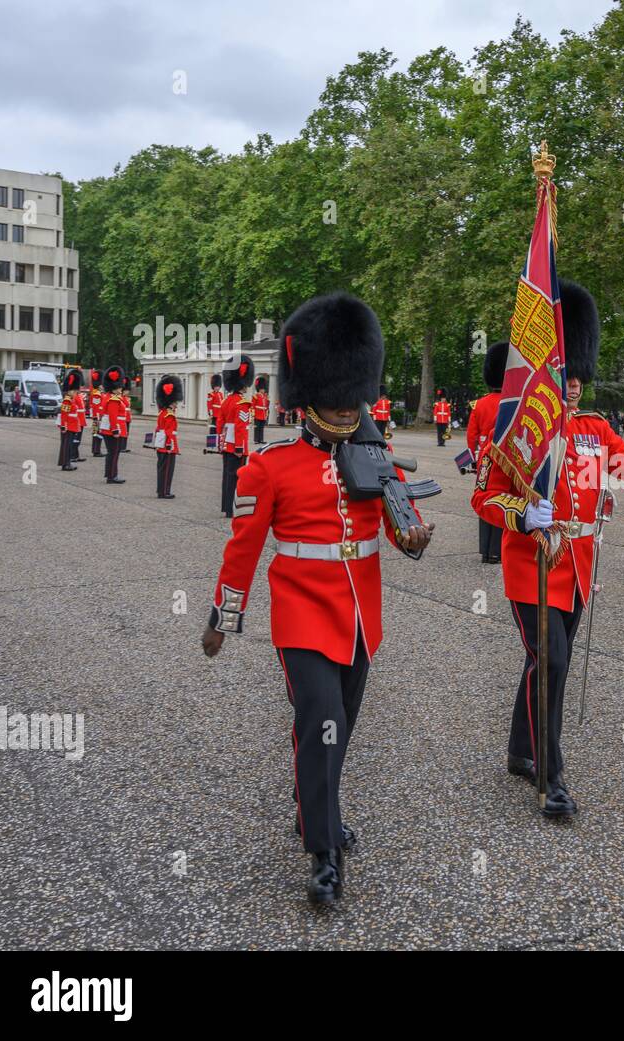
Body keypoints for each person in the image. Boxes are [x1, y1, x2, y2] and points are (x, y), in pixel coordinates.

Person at [201, 292, 433, 904]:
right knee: (322, 722)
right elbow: (243, 547)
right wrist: (225, 615)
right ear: (308, 391)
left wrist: (414, 537)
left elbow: (398, 525)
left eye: (346, 393)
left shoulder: (376, 454)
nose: (339, 405)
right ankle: (323, 852)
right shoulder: (270, 465)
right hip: (301, 614)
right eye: (329, 394)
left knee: (338, 728)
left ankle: (316, 811)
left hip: (361, 616)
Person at [473, 280, 624, 818]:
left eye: (578, 375)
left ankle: (518, 750)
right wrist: (522, 514)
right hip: (532, 564)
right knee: (550, 662)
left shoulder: (595, 429)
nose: (573, 385)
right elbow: (483, 497)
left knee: (546, 663)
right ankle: (549, 778)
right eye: (564, 375)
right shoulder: (517, 433)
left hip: (576, 567)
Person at [465, 342, 508, 564]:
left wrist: (469, 461)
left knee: (484, 501)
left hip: (484, 460)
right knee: (502, 501)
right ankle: (496, 552)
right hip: (506, 461)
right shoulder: (512, 403)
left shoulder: (479, 404)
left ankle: (485, 551)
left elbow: (471, 437)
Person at [217, 356, 255, 518]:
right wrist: (240, 447)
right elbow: (240, 428)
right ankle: (232, 507)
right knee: (237, 477)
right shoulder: (242, 403)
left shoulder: (226, 402)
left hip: (226, 444)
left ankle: (226, 507)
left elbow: (220, 424)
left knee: (227, 476)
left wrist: (221, 443)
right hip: (237, 447)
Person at [153, 374, 182, 499]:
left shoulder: (162, 413)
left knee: (161, 469)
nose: (176, 405)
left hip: (161, 444)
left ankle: (161, 490)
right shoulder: (169, 415)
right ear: (170, 402)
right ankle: (165, 491)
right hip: (167, 446)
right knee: (167, 470)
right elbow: (170, 432)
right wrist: (170, 445)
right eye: (175, 402)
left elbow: (158, 429)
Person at [100, 365, 129, 484]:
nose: (121, 388)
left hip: (110, 429)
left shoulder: (112, 397)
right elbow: (113, 417)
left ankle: (110, 474)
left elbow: (125, 405)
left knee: (112, 452)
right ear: (115, 387)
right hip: (113, 430)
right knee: (114, 453)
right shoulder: (113, 400)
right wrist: (115, 430)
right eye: (119, 386)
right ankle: (112, 476)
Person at [56, 368, 85, 471]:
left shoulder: (71, 400)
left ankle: (67, 462)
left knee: (68, 446)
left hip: (72, 425)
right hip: (68, 426)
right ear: (69, 390)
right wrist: (64, 426)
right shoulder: (67, 401)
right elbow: (64, 414)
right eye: (73, 391)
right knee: (66, 446)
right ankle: (65, 463)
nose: (75, 392)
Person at [252, 376, 270, 445]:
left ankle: (261, 439)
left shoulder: (265, 397)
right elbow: (253, 406)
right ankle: (256, 440)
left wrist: (268, 400)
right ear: (259, 389)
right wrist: (253, 414)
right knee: (257, 428)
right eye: (262, 389)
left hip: (263, 414)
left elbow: (266, 406)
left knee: (262, 428)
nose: (263, 390)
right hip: (257, 414)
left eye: (264, 389)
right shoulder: (255, 396)